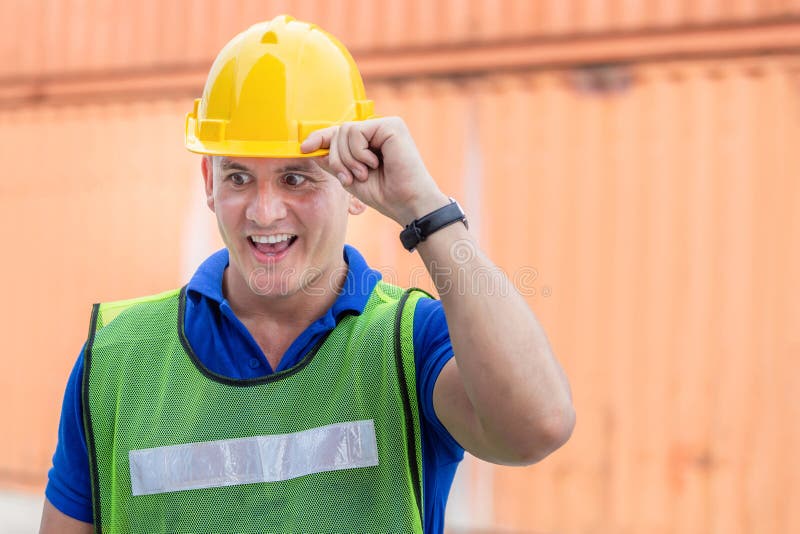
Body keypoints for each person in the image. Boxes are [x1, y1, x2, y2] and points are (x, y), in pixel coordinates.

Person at [39, 15, 574, 534]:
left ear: (353, 183)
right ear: (208, 179)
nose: (265, 212)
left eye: (296, 178)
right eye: (239, 177)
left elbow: (537, 428)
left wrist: (425, 209)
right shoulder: (116, 357)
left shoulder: (410, 342)